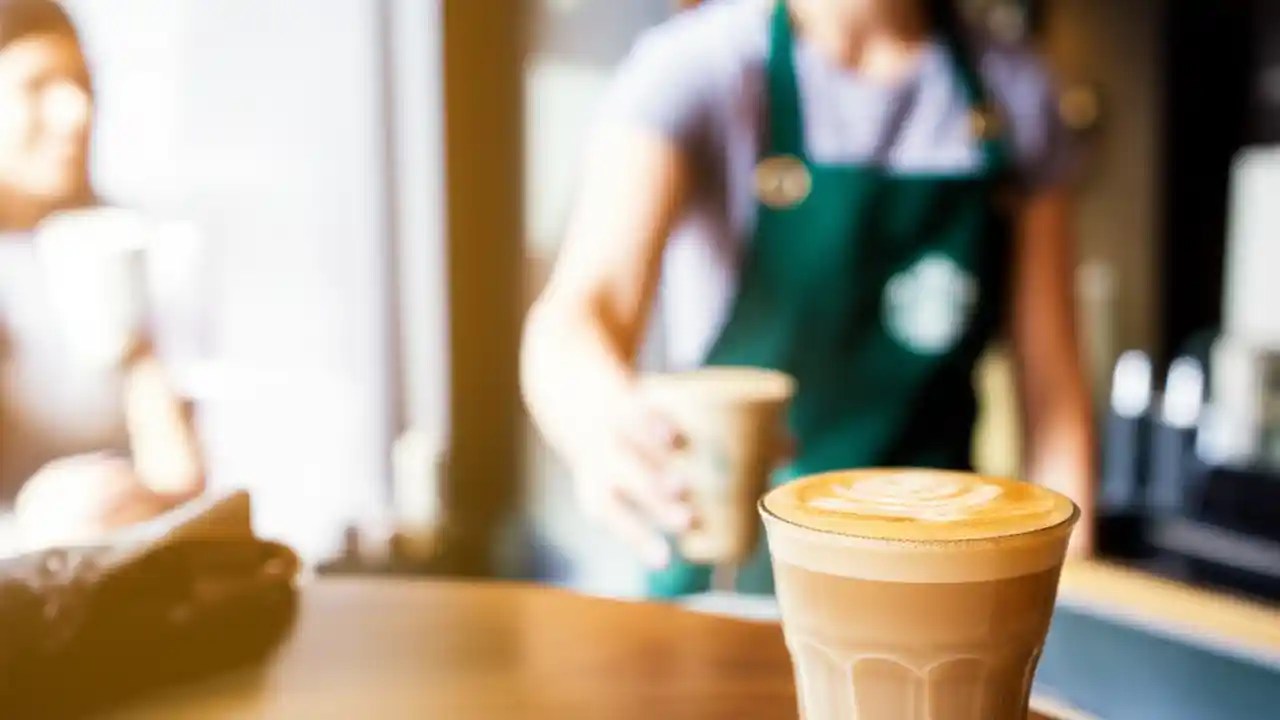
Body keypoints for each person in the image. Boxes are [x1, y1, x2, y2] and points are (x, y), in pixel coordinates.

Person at [522, 0, 1096, 597]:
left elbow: (1053, 395)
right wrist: (598, 419)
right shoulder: (700, 69)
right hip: (729, 581)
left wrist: (1070, 597)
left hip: (934, 585)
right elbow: (578, 317)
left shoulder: (1014, 92)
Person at [0, 0, 203, 546]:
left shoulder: (116, 247)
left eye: (82, 83)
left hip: (113, 567)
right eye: (37, 84)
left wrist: (125, 502)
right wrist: (31, 528)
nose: (75, 111)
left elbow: (182, 479)